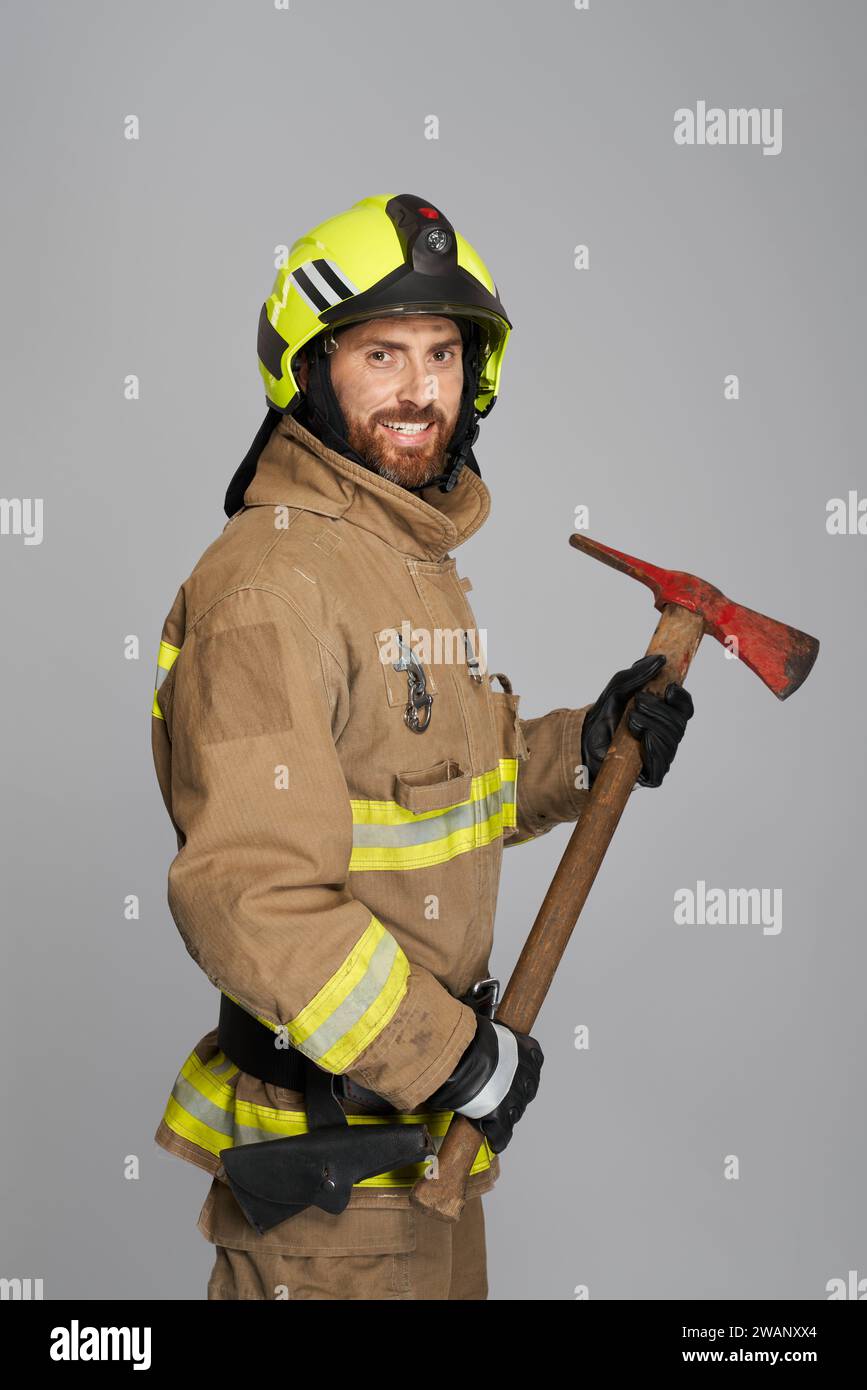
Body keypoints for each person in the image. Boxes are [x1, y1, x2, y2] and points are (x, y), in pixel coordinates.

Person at [150, 193, 694, 1300]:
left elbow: (446, 792)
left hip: (424, 1165)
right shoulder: (271, 585)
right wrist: (454, 1057)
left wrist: (587, 750)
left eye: (443, 353)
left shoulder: (403, 557)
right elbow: (251, 897)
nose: (420, 389)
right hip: (332, 1188)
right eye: (382, 353)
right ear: (311, 371)